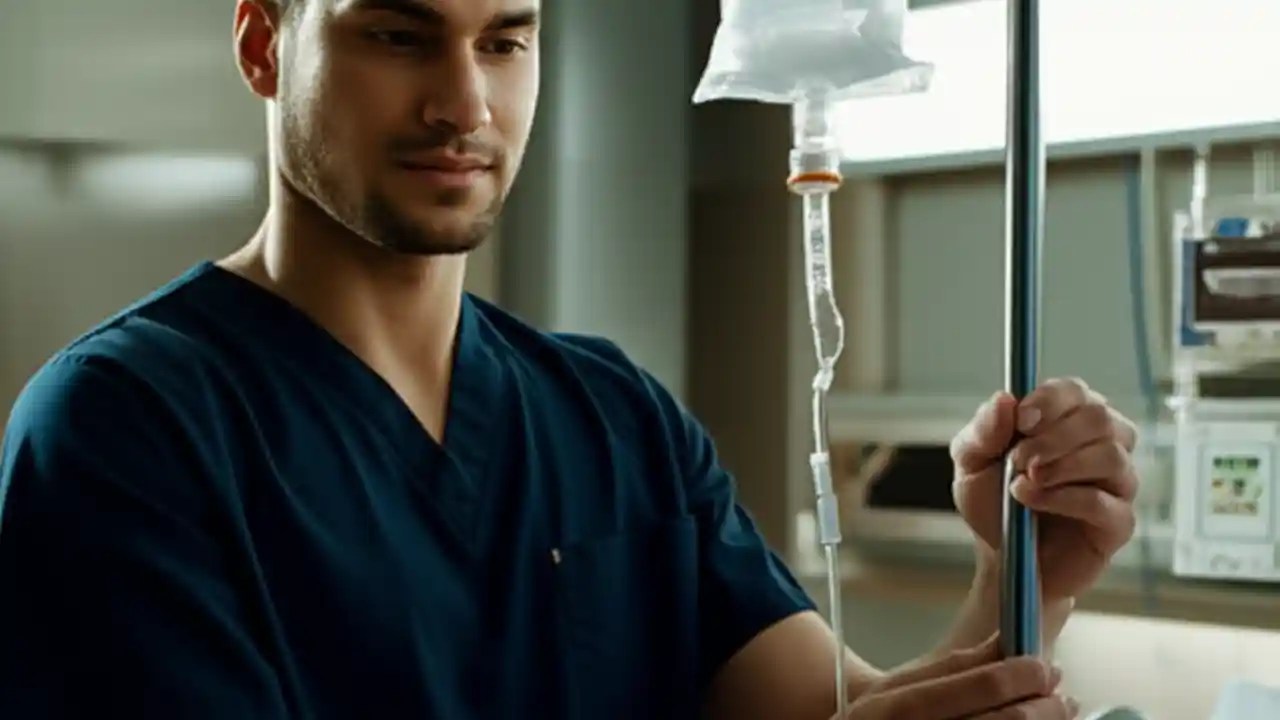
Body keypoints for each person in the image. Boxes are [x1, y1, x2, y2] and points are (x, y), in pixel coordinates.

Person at [0, 1, 1140, 718]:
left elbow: (845, 715)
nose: (463, 102)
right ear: (264, 44)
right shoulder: (126, 426)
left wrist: (1020, 578)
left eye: (505, 39)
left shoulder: (611, 416)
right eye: (397, 35)